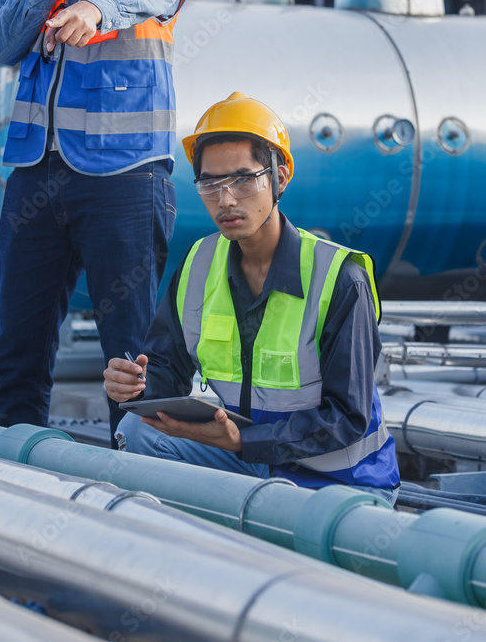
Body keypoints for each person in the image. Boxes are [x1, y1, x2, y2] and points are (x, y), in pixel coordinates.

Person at [0, 0, 201, 442]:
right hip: (34, 173)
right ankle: (10, 476)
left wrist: (91, 5)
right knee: (16, 347)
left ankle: (136, 489)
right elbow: (0, 41)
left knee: (131, 354)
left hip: (124, 179)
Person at [105, 92, 401, 503]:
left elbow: (346, 419)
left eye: (243, 179)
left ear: (279, 178)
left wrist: (246, 441)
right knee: (137, 430)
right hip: (248, 460)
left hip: (338, 480)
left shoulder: (340, 279)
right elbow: (166, 371)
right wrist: (135, 386)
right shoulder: (198, 265)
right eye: (210, 183)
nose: (226, 200)